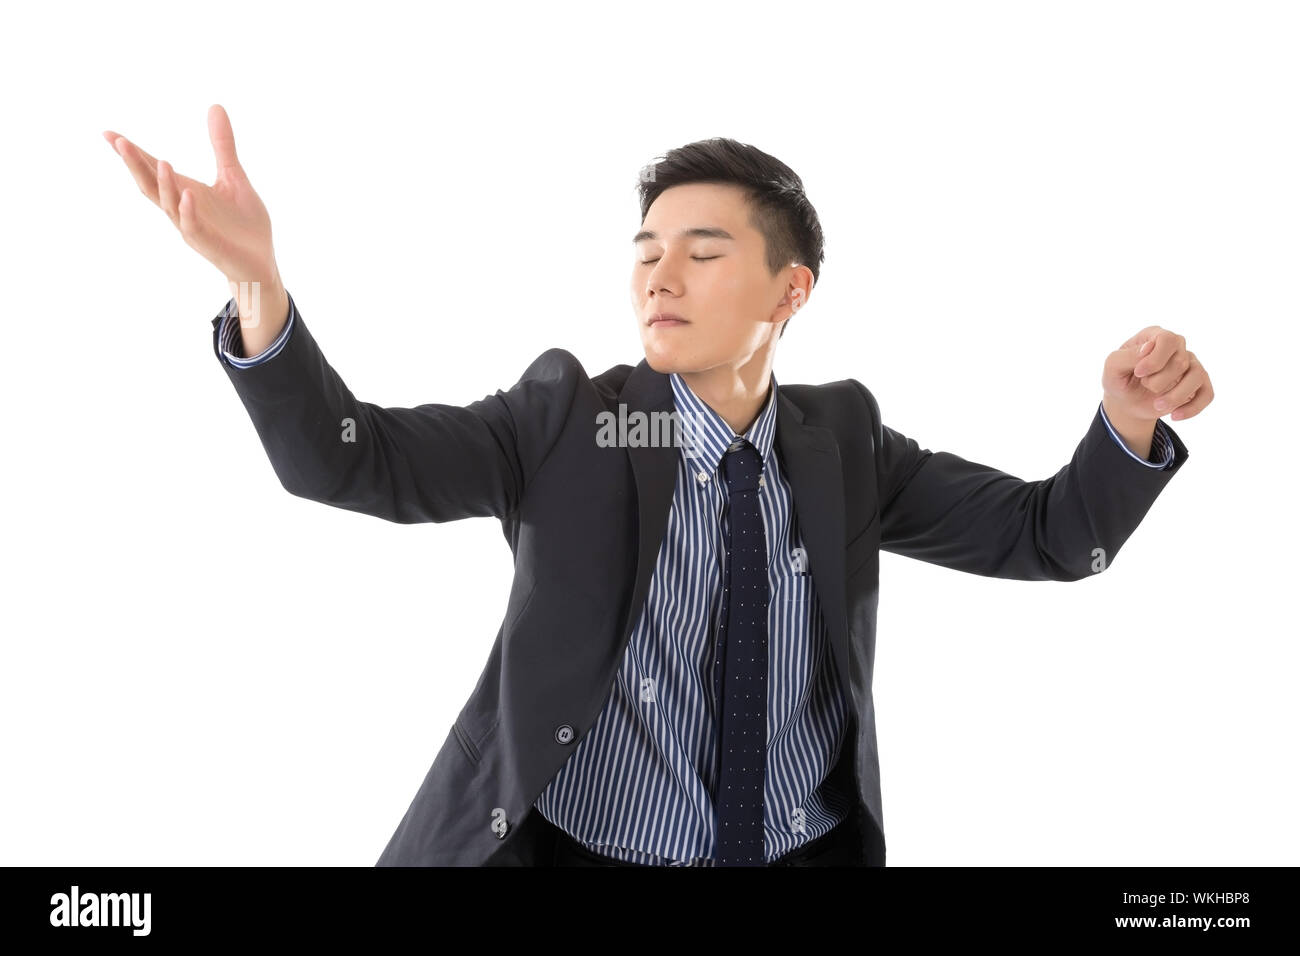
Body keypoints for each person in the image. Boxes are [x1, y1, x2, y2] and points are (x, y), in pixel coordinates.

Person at [104, 106, 1214, 867]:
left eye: (702, 248)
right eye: (644, 249)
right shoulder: (564, 420)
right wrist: (258, 284)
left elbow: (1049, 538)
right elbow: (347, 460)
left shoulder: (846, 439)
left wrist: (1125, 421)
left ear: (790, 290)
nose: (658, 273)